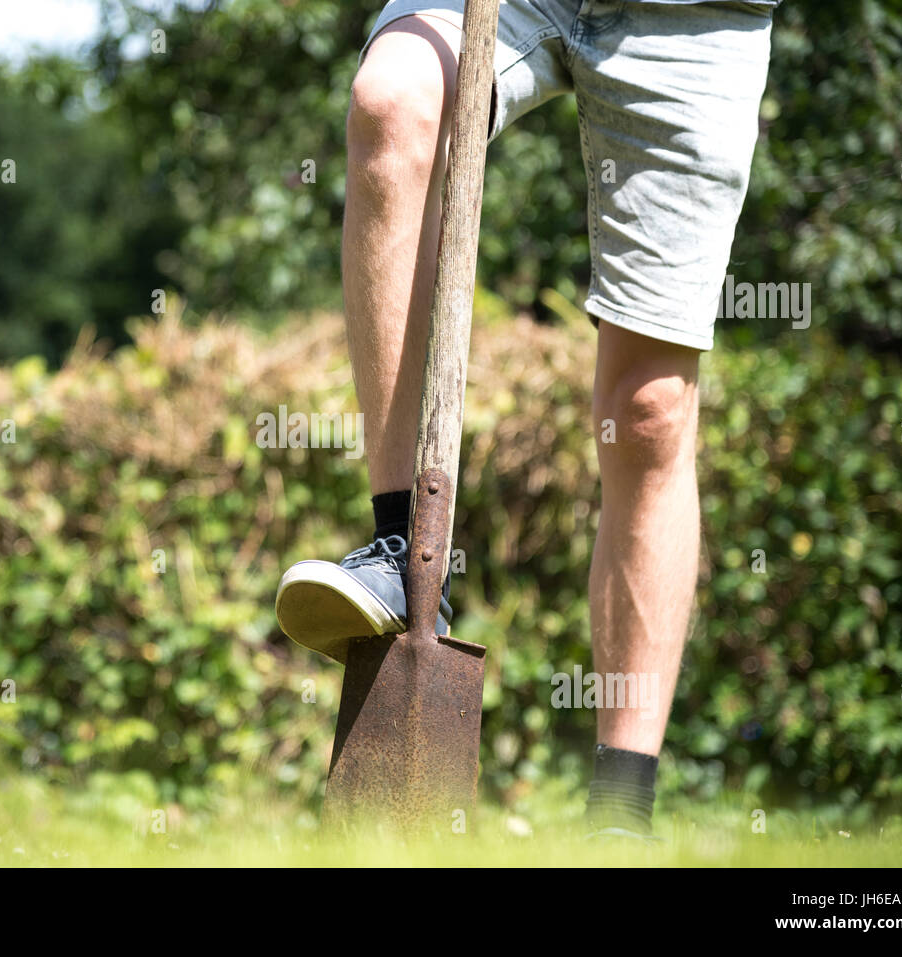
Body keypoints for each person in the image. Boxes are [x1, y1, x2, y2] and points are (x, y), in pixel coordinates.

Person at [275, 0, 778, 839]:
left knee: (648, 410)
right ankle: (405, 553)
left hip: (691, 17)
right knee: (391, 103)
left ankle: (621, 811)